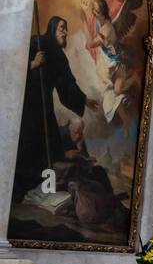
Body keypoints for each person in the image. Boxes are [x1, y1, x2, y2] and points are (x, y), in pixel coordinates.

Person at [15, 17, 97, 201]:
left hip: (44, 108)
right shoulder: (37, 43)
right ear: (52, 28)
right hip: (26, 106)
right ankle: (17, 193)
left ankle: (40, 190)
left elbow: (67, 85)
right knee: (25, 146)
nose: (65, 32)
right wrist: (33, 65)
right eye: (61, 27)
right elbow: (10, 67)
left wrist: (84, 100)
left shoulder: (59, 56)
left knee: (49, 148)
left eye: (66, 28)